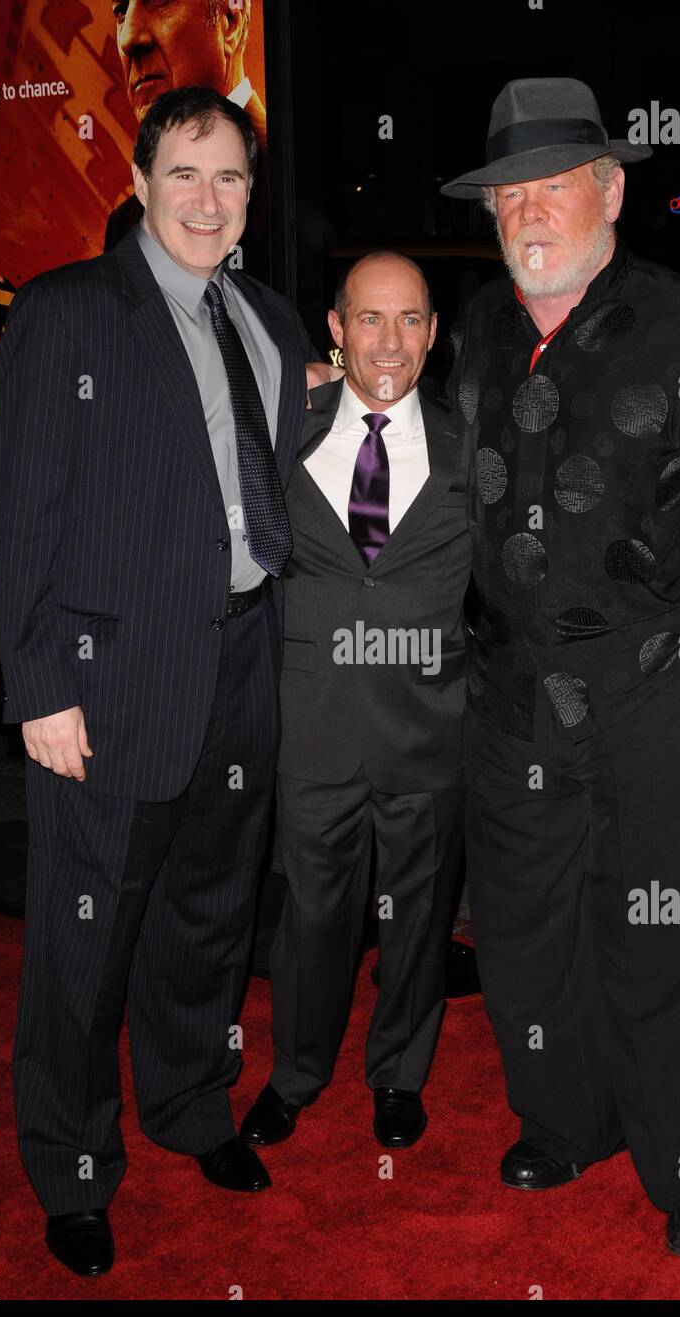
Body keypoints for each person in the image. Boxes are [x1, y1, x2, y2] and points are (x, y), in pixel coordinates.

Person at [441, 77, 680, 1257]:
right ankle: (566, 1116)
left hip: (651, 689)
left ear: (609, 189)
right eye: (508, 196)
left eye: (552, 185)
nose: (528, 211)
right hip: (512, 695)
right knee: (530, 928)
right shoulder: (480, 329)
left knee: (671, 930)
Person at [0, 86, 328, 1278]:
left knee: (209, 913)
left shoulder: (275, 325)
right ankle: (73, 1167)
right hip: (106, 676)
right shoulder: (69, 314)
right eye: (183, 173)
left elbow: (285, 480)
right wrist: (36, 686)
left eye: (229, 176)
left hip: (241, 658)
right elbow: (21, 514)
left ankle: (189, 1103)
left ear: (249, 197)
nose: (206, 198)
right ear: (136, 184)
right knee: (85, 934)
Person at [241, 253, 471, 1150]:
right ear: (334, 329)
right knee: (313, 915)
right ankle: (294, 1076)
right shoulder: (284, 428)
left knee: (417, 914)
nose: (389, 340)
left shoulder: (464, 447)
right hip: (314, 725)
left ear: (431, 333)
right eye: (369, 319)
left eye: (409, 319)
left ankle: (399, 1077)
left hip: (428, 729)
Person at [106, 0, 267, 252]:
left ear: (230, 23)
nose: (128, 37)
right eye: (121, 11)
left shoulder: (295, 177)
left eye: (159, 2)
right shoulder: (124, 224)